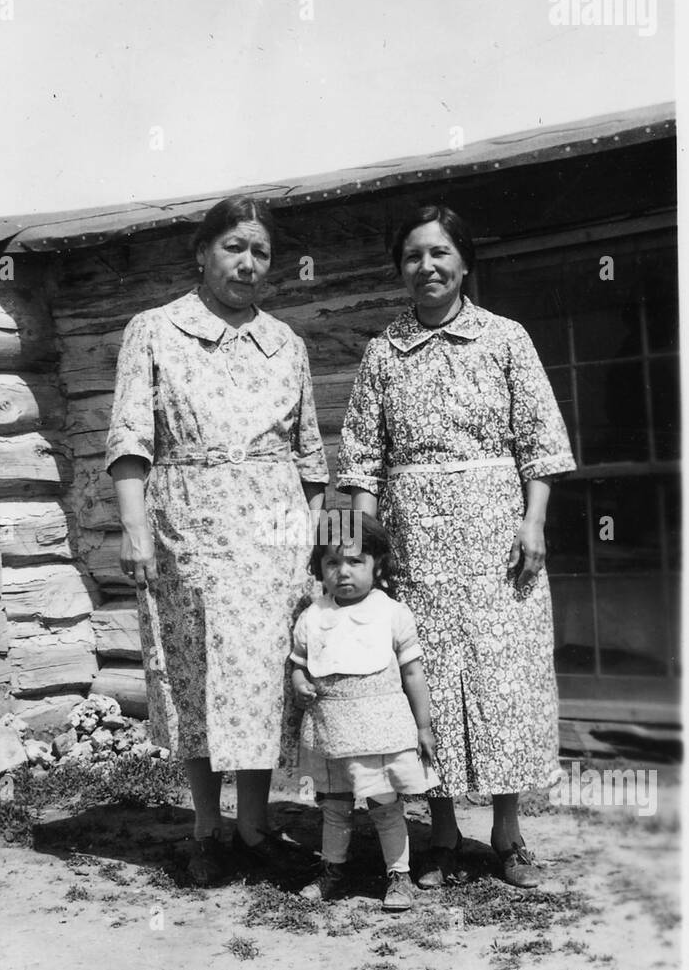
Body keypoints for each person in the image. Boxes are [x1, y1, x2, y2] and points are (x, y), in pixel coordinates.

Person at [336, 205, 575, 889]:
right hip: (416, 544)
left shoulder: (506, 338)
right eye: (413, 256)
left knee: (506, 680)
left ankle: (507, 833)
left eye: (439, 253)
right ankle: (441, 834)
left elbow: (540, 443)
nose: (427, 267)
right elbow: (362, 464)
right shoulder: (384, 352)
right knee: (427, 681)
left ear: (464, 262)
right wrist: (370, 553)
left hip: (498, 540)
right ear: (400, 269)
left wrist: (533, 522)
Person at [105, 195, 328, 885]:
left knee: (263, 675)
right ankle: (206, 826)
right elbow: (129, 441)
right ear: (203, 253)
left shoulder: (285, 343)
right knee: (193, 671)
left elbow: (310, 461)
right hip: (188, 529)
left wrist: (313, 549)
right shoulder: (154, 330)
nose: (248, 262)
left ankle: (255, 825)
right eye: (234, 247)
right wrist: (136, 531)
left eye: (261, 251)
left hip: (272, 533)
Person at [291, 513, 439, 911]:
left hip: (379, 734)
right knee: (334, 808)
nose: (343, 572)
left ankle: (399, 876)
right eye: (332, 562)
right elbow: (299, 664)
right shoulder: (313, 616)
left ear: (377, 565)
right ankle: (332, 870)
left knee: (385, 807)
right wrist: (300, 683)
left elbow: (413, 673)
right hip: (331, 730)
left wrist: (423, 727)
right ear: (319, 568)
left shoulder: (391, 613)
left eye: (355, 561)